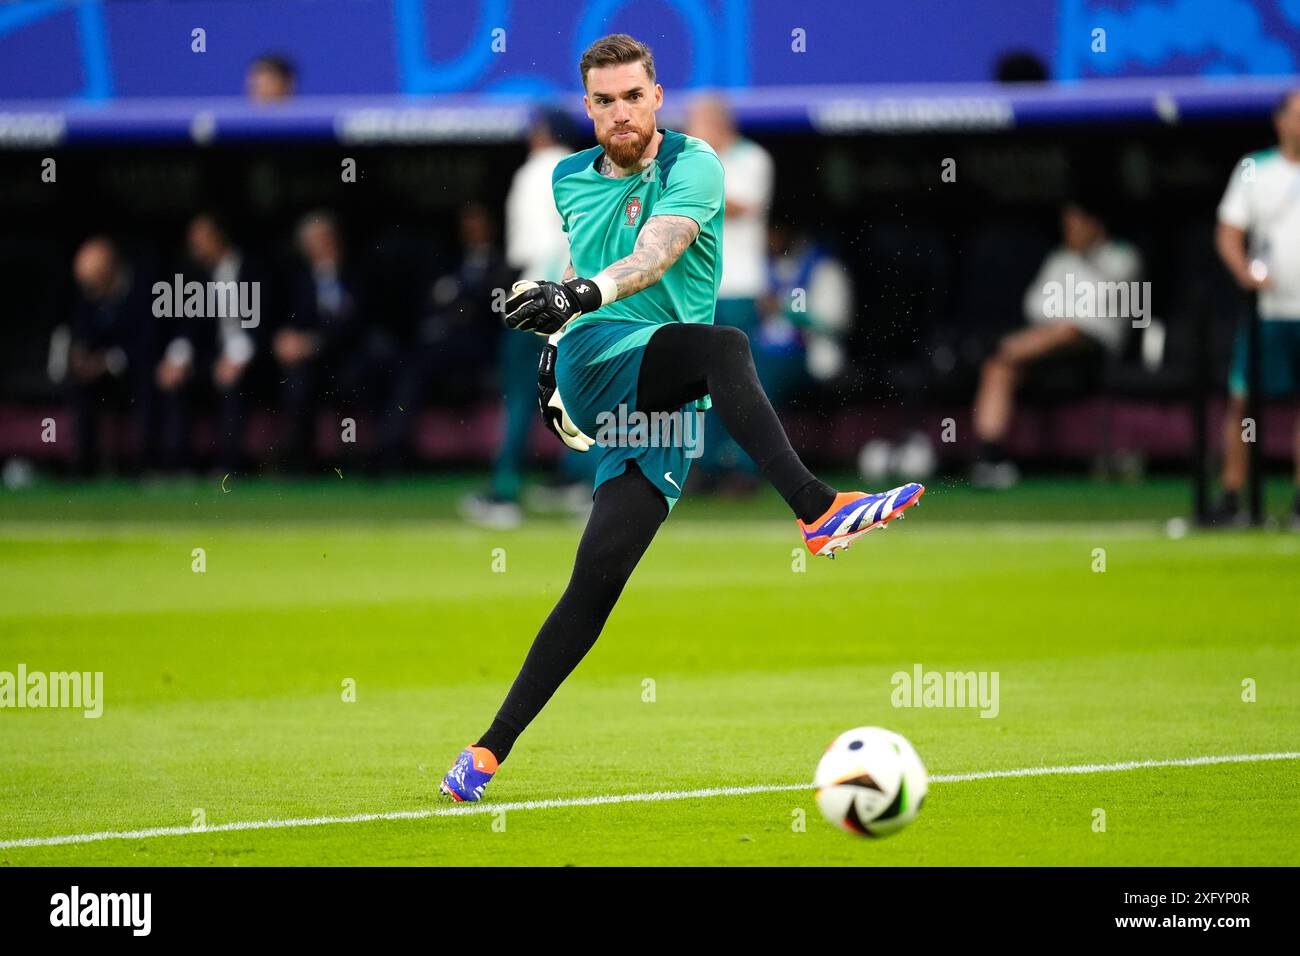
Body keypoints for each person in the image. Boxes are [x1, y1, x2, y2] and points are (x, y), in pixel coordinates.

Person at [438, 33, 924, 803]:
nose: (621, 112)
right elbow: (583, 260)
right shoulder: (569, 175)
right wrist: (561, 328)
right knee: (726, 344)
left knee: (597, 582)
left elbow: (658, 252)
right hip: (604, 357)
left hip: (666, 400)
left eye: (634, 96)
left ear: (657, 97)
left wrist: (576, 295)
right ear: (587, 106)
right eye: (604, 100)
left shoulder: (693, 162)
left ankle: (485, 752)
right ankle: (818, 509)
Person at [460, 109, 590, 529]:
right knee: (579, 390)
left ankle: (504, 493)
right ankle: (583, 484)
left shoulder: (535, 172)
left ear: (541, 134)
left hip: (537, 290)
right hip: (580, 292)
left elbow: (527, 248)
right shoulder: (585, 167)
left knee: (519, 394)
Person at [970, 199, 1141, 489]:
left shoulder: (1123, 257)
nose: (1069, 232)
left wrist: (1062, 319)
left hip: (1094, 352)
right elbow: (1034, 307)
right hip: (1048, 352)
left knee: (1067, 330)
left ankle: (1007, 346)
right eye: (1066, 226)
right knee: (999, 367)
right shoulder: (1059, 260)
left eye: (1074, 225)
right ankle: (990, 459)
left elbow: (1092, 316)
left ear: (1094, 225)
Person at [1212, 89, 1300, 528]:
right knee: (1243, 400)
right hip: (1267, 310)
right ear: (1279, 120)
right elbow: (1228, 230)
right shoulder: (1254, 169)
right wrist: (1245, 272)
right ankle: (1232, 496)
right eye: (1297, 115)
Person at [685, 93, 775, 490]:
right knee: (694, 383)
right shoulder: (692, 160)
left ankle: (743, 468)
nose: (691, 130)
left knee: (740, 382)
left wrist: (693, 182)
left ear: (719, 124)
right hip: (698, 291)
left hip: (739, 288)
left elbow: (740, 206)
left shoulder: (752, 158)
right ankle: (700, 465)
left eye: (698, 123)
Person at [274, 211, 367, 472]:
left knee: (356, 378)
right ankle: (301, 462)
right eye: (317, 241)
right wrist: (286, 340)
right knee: (298, 384)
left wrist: (315, 343)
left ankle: (354, 460)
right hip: (310, 363)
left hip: (348, 356)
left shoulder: (356, 275)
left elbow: (356, 324)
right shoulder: (296, 281)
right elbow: (287, 323)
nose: (325, 246)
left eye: (328, 239)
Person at [64, 237, 152, 474]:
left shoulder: (145, 287)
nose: (90, 289)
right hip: (100, 375)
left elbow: (149, 341)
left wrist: (108, 362)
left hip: (136, 369)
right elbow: (82, 333)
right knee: (78, 385)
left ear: (110, 270)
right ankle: (83, 467)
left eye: (94, 281)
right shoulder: (87, 295)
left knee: (149, 384)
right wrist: (81, 356)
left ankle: (145, 466)